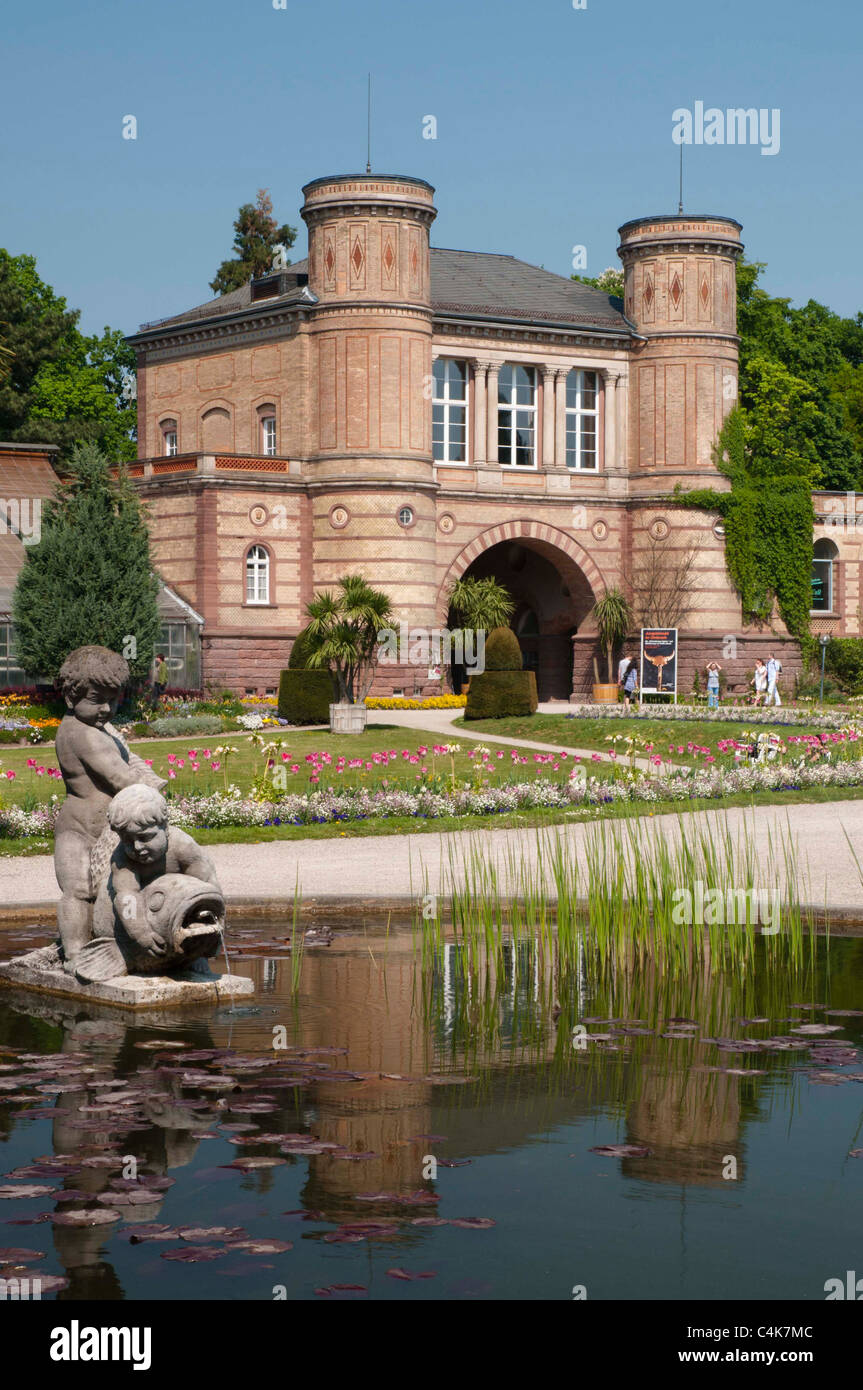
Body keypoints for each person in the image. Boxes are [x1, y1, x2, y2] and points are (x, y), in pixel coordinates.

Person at [54, 647, 159, 974]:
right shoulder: (85, 735)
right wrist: (150, 788)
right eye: (97, 699)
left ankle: (107, 949)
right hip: (78, 830)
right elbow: (120, 778)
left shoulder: (89, 726)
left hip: (102, 830)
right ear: (72, 697)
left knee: (110, 890)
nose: (106, 709)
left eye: (113, 700)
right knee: (78, 892)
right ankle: (74, 954)